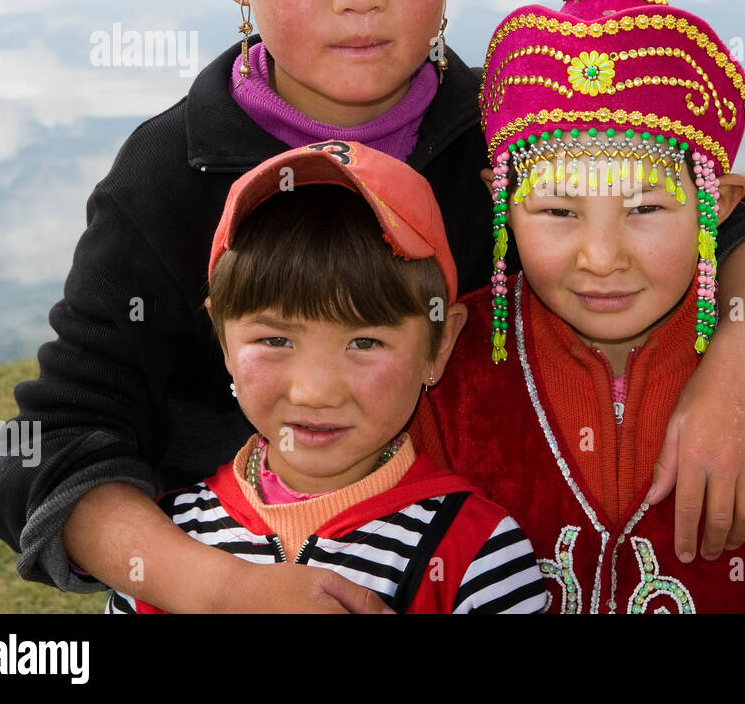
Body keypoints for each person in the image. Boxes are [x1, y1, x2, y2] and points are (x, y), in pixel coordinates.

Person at [0, 0, 745, 613]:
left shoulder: (516, 128)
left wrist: (743, 366)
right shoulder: (161, 178)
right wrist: (216, 584)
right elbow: (54, 443)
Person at [411, 0, 745, 612]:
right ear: (501, 200)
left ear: (716, 206)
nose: (601, 256)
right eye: (555, 209)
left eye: (645, 208)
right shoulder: (447, 368)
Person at [105, 142, 549, 613]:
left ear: (438, 346)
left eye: (365, 343)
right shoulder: (168, 543)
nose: (315, 392)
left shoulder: (477, 552)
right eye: (275, 341)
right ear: (223, 339)